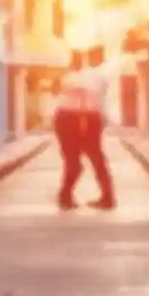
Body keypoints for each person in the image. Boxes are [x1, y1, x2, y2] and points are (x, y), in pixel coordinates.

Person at [53, 46, 115, 210]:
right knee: (85, 160)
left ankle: (67, 195)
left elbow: (84, 92)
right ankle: (67, 195)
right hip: (76, 118)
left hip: (79, 117)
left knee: (83, 160)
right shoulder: (78, 77)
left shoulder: (82, 77)